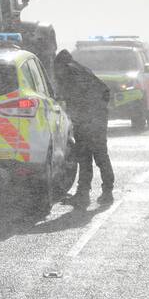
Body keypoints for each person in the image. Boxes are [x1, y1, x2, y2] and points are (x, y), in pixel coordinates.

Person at [54, 49, 115, 206]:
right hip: (96, 117)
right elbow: (103, 92)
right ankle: (103, 192)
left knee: (88, 156)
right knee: (97, 154)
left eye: (57, 68)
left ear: (61, 64)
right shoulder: (81, 70)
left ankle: (86, 194)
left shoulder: (70, 73)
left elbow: (73, 98)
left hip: (89, 119)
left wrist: (81, 117)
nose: (57, 73)